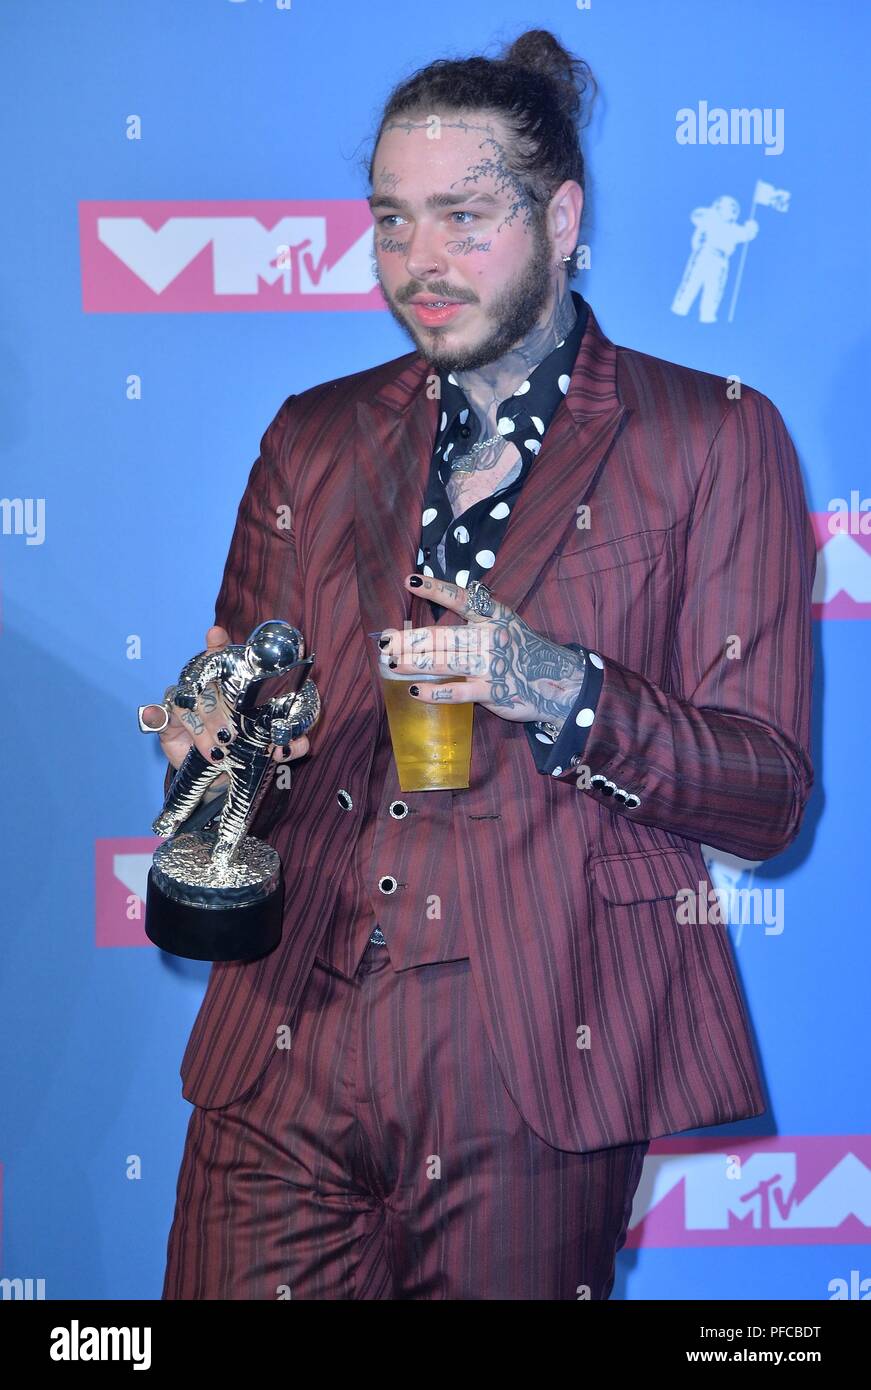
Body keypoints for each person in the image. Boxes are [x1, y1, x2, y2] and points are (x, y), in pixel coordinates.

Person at [147, 29, 815, 1300]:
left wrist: (557, 685)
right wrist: (218, 753)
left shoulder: (711, 438)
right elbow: (249, 712)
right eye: (392, 223)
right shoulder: (317, 434)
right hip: (289, 1036)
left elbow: (767, 791)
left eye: (463, 218)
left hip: (535, 1056)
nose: (419, 266)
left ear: (562, 218)